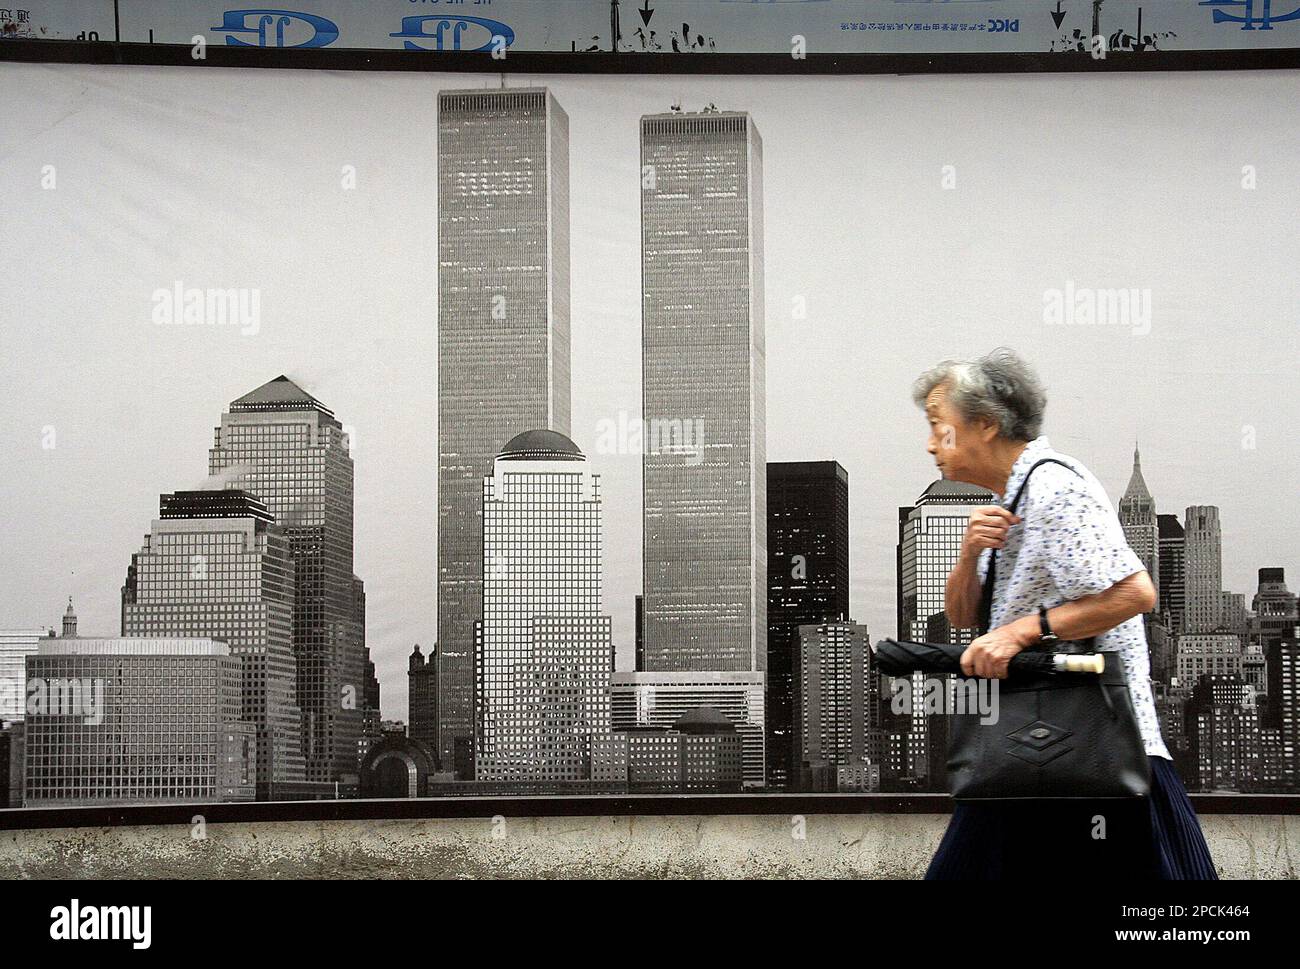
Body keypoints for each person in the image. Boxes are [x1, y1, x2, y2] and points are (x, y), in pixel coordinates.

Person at [912, 347, 1217, 880]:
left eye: (941, 426)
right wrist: (967, 554)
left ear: (985, 423)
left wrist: (1023, 632)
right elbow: (962, 618)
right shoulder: (1008, 503)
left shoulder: (1056, 490)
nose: (931, 443)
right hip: (1030, 752)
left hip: (1091, 755)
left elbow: (1134, 593)